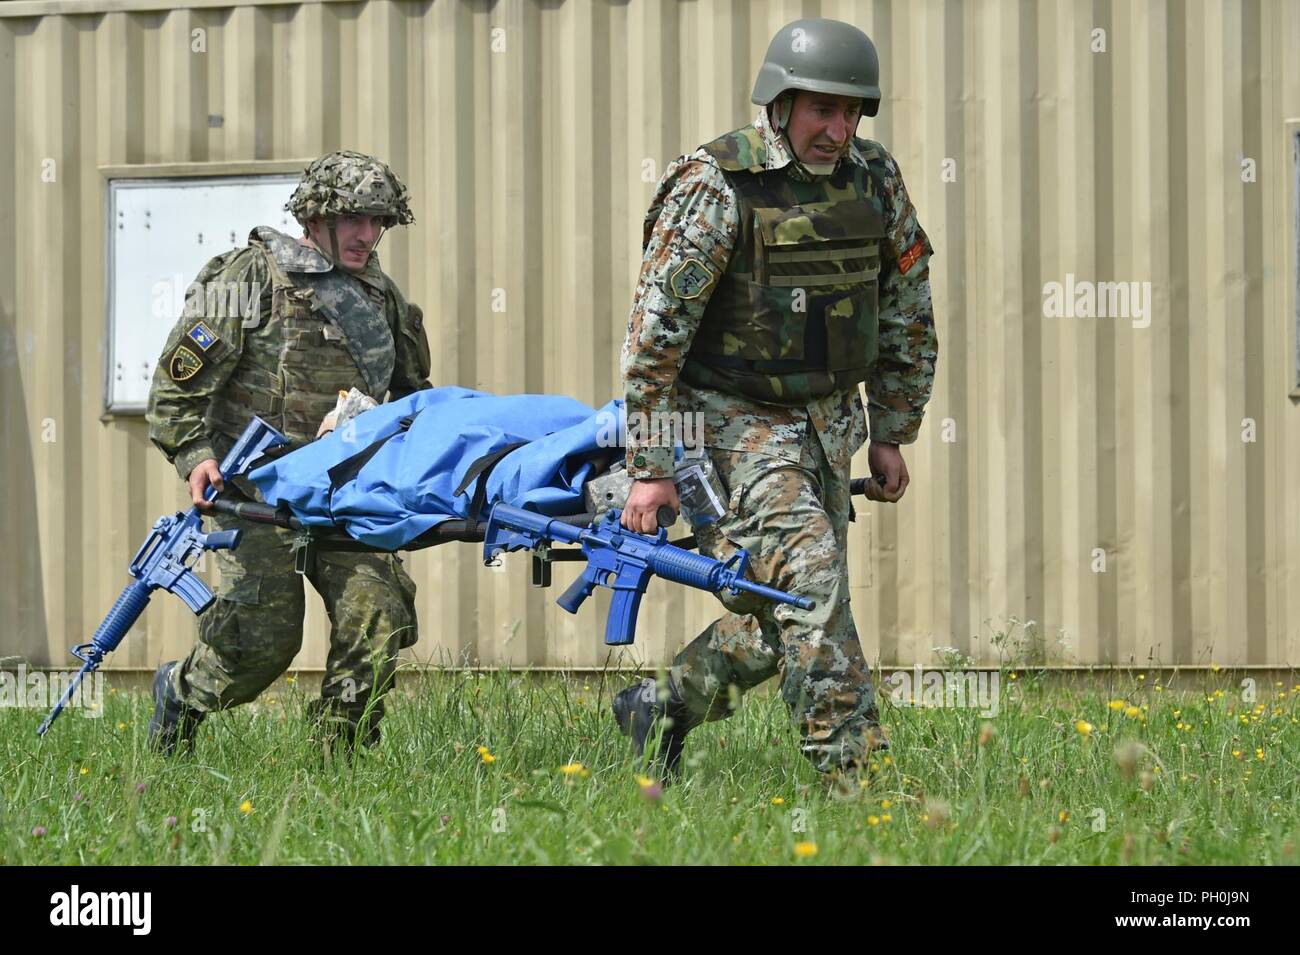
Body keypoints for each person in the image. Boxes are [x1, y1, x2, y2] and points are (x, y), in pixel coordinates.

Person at [612, 18, 938, 779]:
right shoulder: (717, 185)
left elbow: (908, 302)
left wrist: (892, 426)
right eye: (822, 109)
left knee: (782, 607)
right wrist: (653, 466)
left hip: (828, 426)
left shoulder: (875, 179)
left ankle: (661, 705)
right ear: (781, 102)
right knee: (813, 587)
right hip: (726, 422)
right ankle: (861, 791)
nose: (838, 128)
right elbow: (655, 337)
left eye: (851, 111)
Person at [145, 150, 432, 755]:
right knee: (259, 645)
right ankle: (182, 693)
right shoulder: (249, 276)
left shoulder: (382, 299)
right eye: (354, 218)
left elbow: (410, 396)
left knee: (377, 616)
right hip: (254, 496)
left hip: (344, 495)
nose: (367, 234)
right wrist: (195, 454)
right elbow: (177, 387)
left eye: (378, 221)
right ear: (317, 218)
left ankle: (339, 757)